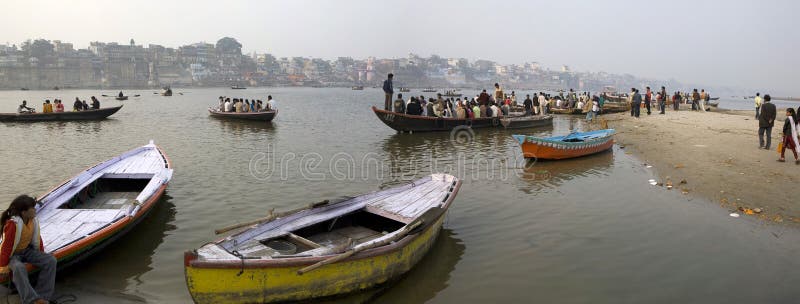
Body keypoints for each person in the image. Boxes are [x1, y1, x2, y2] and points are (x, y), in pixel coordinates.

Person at [0, 195, 56, 304]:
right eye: (32, 208)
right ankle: (30, 300)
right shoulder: (13, 224)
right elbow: (5, 247)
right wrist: (3, 268)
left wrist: (42, 254)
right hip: (13, 254)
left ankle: (43, 297)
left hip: (27, 250)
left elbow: (37, 239)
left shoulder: (32, 221)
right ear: (23, 212)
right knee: (19, 268)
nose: (35, 210)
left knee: (50, 260)